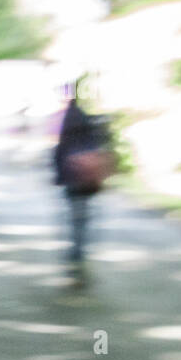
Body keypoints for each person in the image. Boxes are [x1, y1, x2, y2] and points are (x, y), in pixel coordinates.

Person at [51, 81, 110, 283]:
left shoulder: (65, 119)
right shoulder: (86, 118)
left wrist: (58, 178)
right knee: (82, 221)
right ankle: (78, 257)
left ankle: (75, 258)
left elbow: (60, 151)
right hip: (86, 179)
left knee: (76, 220)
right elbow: (99, 145)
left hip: (71, 179)